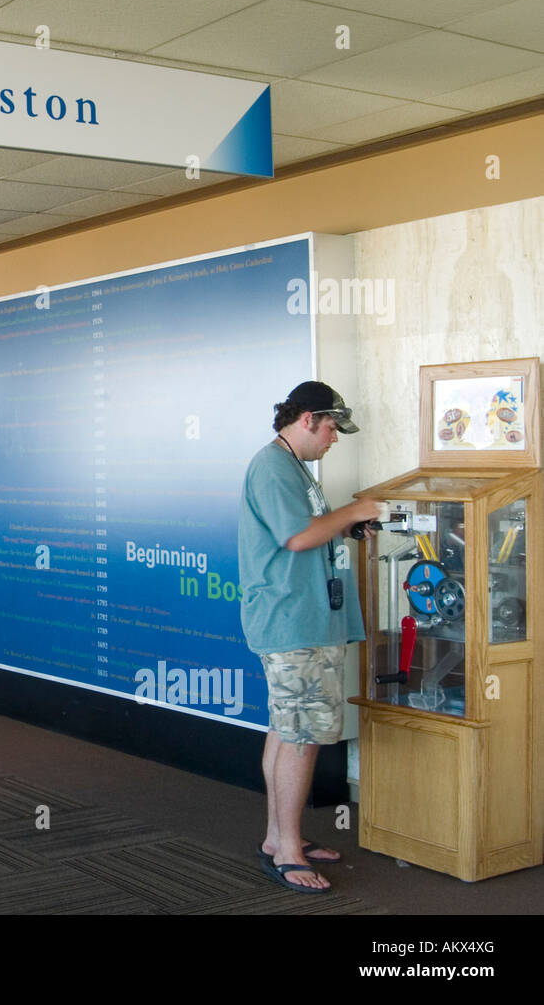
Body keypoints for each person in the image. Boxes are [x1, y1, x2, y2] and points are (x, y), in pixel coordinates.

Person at [238, 381, 383, 894]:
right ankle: (289, 852)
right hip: (293, 622)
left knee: (286, 730)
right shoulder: (274, 466)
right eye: (330, 429)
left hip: (302, 619)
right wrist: (355, 511)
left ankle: (279, 839)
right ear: (306, 420)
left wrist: (342, 528)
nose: (334, 440)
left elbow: (305, 531)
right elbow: (295, 537)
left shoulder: (291, 467)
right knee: (300, 739)